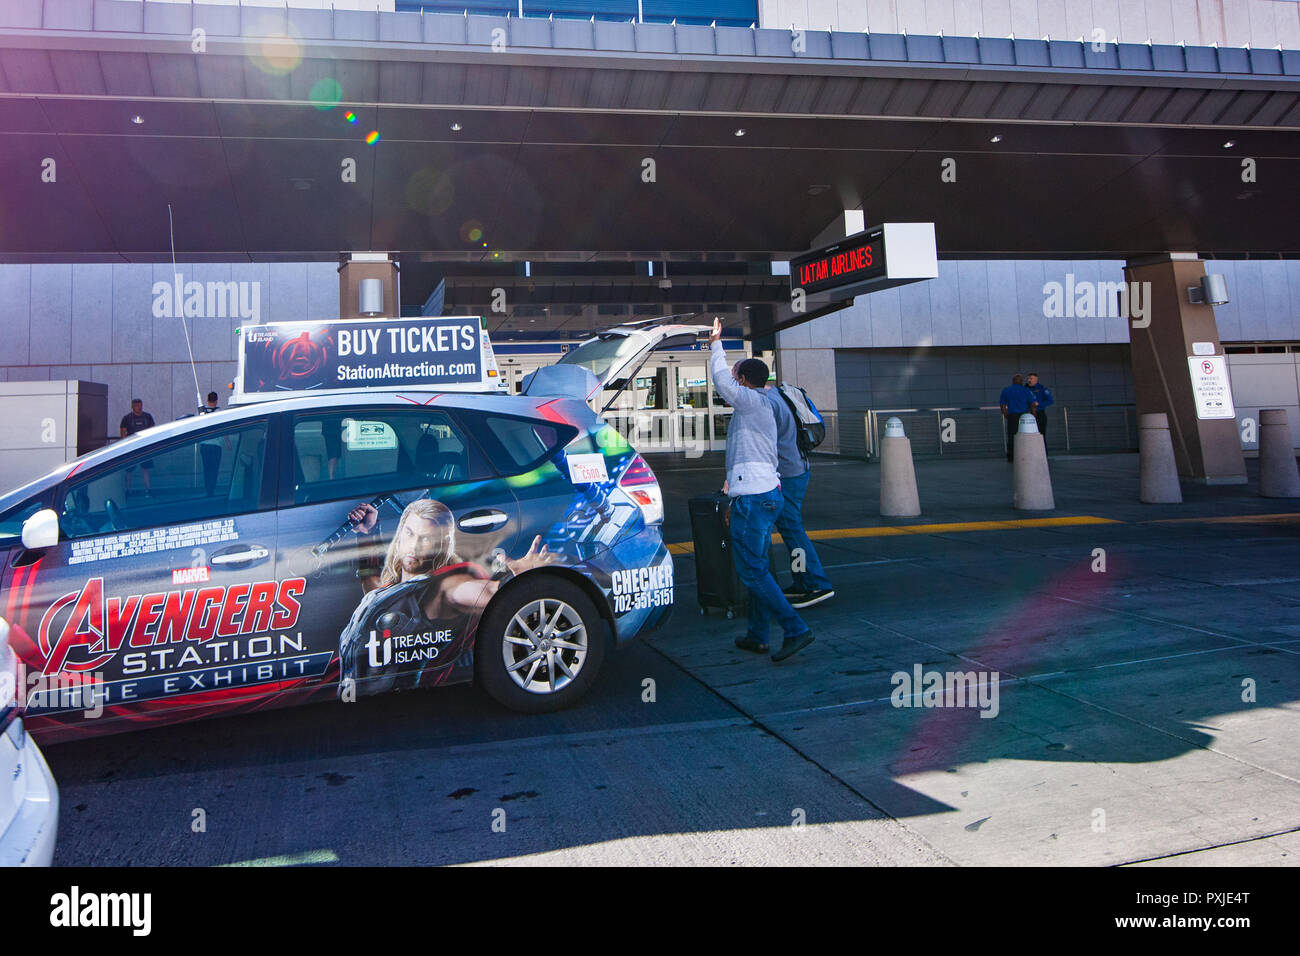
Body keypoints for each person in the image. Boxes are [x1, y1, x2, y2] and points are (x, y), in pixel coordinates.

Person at [338, 497, 553, 695]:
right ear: (400, 533)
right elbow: (373, 589)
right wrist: (367, 534)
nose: (414, 545)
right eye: (410, 533)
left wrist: (515, 571)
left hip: (399, 700)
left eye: (426, 539)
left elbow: (483, 591)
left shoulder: (444, 587)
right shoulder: (392, 589)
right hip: (359, 697)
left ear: (441, 544)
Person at [709, 318, 813, 663]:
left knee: (751, 571)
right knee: (758, 566)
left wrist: (715, 343)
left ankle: (795, 628)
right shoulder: (764, 404)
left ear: (743, 380)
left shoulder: (752, 402)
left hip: (754, 499)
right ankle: (757, 635)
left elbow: (721, 381)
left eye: (736, 375)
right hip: (765, 493)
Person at [754, 368, 834, 609]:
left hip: (788, 473)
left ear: (746, 380)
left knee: (791, 528)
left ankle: (816, 583)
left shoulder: (767, 402)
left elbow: (765, 441)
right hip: (798, 468)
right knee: (790, 528)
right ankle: (802, 580)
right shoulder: (779, 394)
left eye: (737, 379)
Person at [119, 398, 156, 494]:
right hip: (131, 448)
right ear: (132, 407)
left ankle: (148, 490)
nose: (139, 408)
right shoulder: (127, 418)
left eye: (140, 406)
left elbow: (153, 430)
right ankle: (128, 490)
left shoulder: (147, 416)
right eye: (137, 406)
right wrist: (125, 447)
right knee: (129, 470)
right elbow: (123, 432)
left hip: (145, 447)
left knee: (146, 469)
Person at [998, 375, 1037, 463]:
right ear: (1021, 381)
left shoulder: (1006, 390)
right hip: (1024, 416)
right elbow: (1032, 404)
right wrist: (1033, 416)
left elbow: (1002, 405)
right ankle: (1025, 455)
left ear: (1013, 381)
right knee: (1025, 436)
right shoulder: (1026, 390)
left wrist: (1006, 415)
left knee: (1012, 436)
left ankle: (1011, 457)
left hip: (1012, 416)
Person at [1025, 373, 1054, 447]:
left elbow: (1050, 401)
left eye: (1031, 378)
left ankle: (1043, 454)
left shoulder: (1042, 389)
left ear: (1036, 380)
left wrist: (1039, 404)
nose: (1029, 380)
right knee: (1028, 435)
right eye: (1028, 378)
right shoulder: (1025, 389)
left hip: (1040, 414)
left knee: (1041, 434)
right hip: (1028, 414)